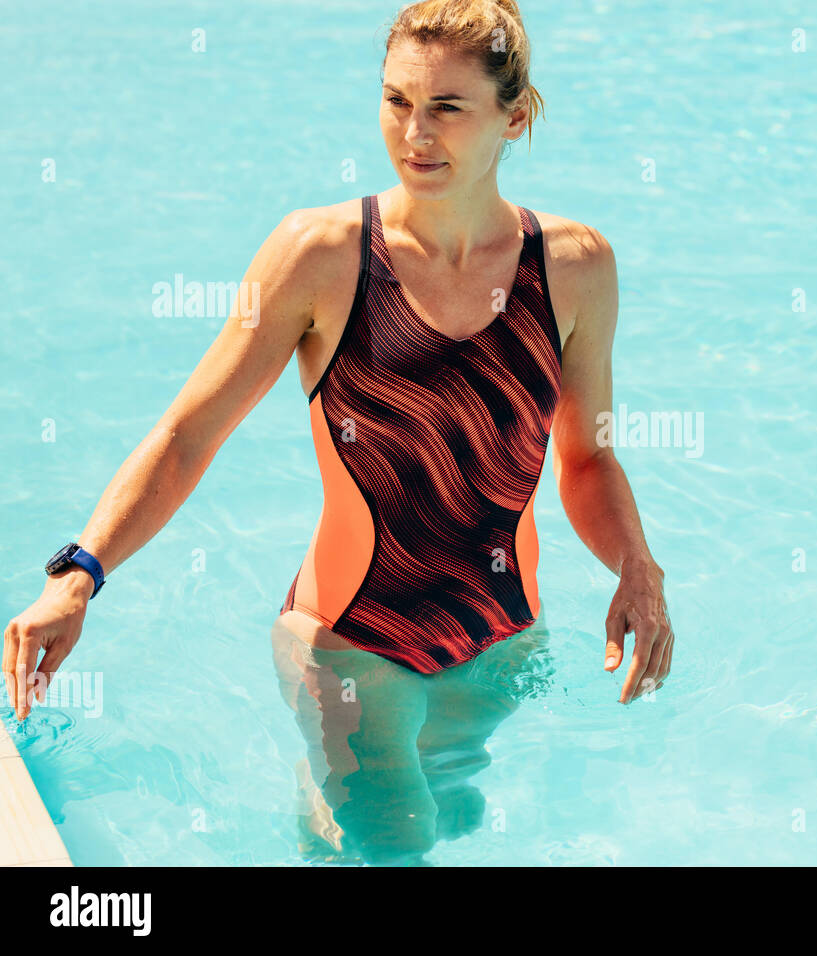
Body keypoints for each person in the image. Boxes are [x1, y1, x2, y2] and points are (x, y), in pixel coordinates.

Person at [4, 0, 673, 736]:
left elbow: (588, 460)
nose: (414, 134)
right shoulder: (319, 256)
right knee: (393, 815)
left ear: (513, 117)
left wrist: (637, 568)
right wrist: (79, 575)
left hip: (503, 641)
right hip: (350, 645)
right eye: (397, 101)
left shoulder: (575, 267)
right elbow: (188, 435)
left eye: (447, 107)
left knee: (447, 810)